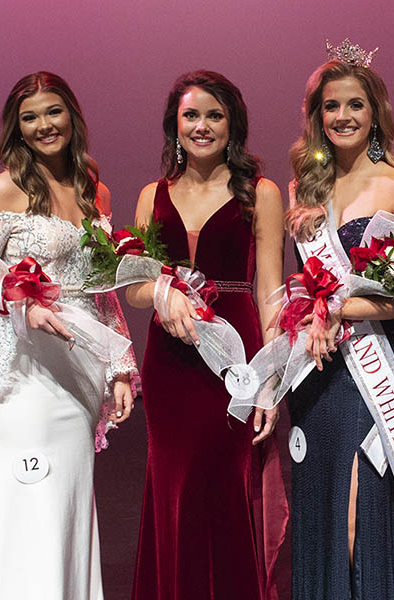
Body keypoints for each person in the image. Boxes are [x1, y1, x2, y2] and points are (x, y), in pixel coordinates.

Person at [0, 71, 137, 600]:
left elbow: (101, 287)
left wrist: (120, 365)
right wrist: (19, 303)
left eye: (53, 112)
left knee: (70, 501)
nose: (44, 125)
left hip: (80, 366)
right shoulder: (4, 188)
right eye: (30, 117)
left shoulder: (94, 187)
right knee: (30, 493)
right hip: (23, 370)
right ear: (17, 128)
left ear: (72, 115)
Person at [122, 70, 287, 600]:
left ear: (232, 125)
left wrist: (268, 380)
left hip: (233, 359)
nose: (202, 125)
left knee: (225, 488)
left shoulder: (261, 193)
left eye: (214, 115)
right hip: (169, 365)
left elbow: (269, 292)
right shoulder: (153, 195)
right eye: (191, 115)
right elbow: (133, 289)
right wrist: (163, 292)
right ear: (175, 124)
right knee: (173, 489)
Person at [284, 42, 394, 600]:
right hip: (315, 370)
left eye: (355, 105)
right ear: (317, 116)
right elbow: (295, 286)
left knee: (356, 507)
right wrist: (306, 311)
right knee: (319, 504)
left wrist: (337, 308)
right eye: (330, 106)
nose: (342, 116)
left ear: (375, 114)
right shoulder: (304, 190)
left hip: (370, 370)